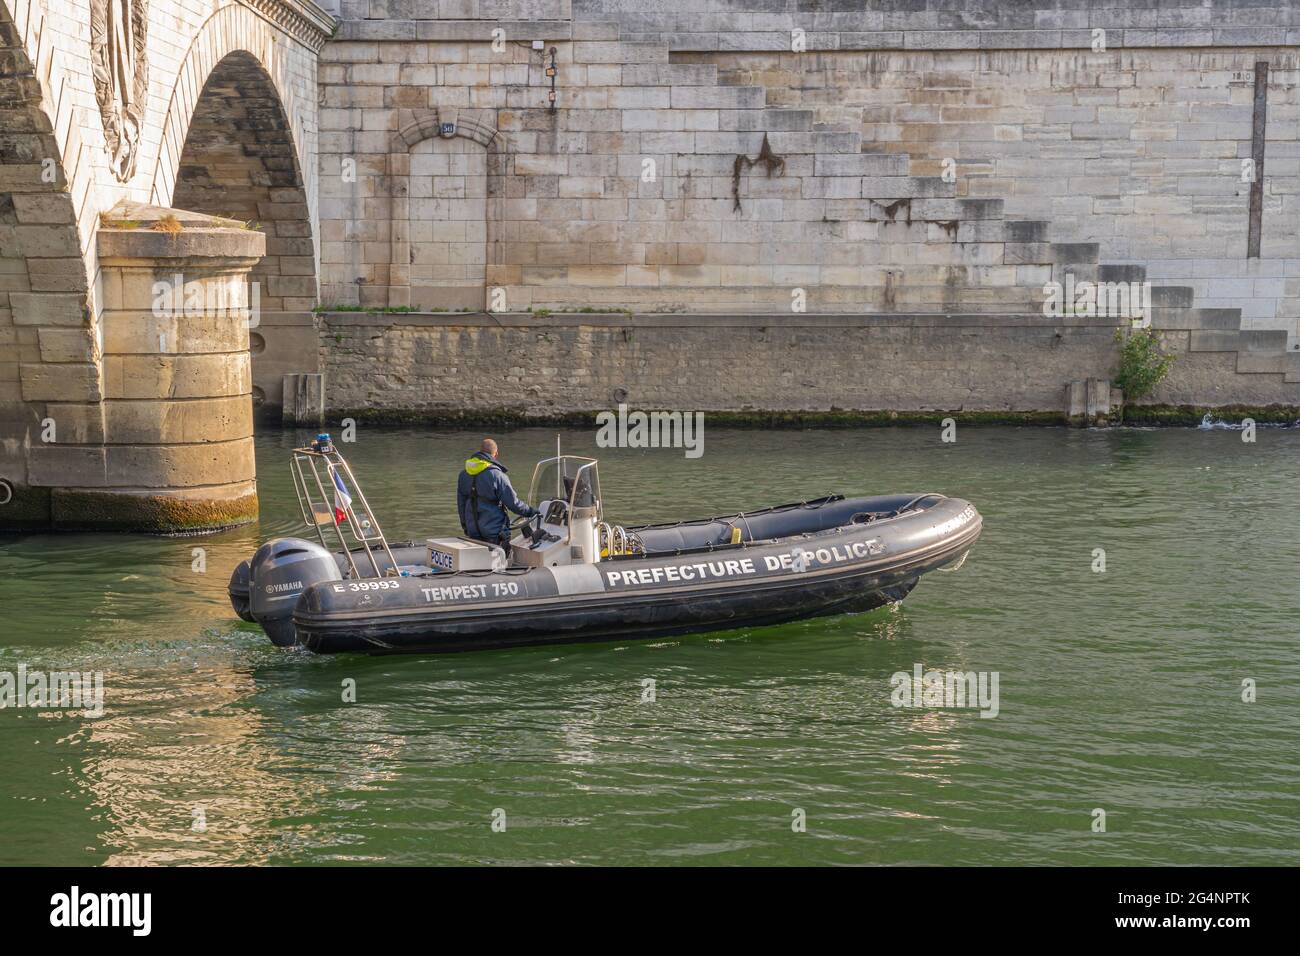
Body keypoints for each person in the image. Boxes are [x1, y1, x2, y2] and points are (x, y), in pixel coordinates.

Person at [457, 438, 538, 548]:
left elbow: (461, 504)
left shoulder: (464, 474)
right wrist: (531, 511)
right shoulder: (497, 475)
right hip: (494, 531)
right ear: (495, 454)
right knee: (500, 559)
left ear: (480, 451)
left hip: (473, 530)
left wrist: (466, 527)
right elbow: (513, 504)